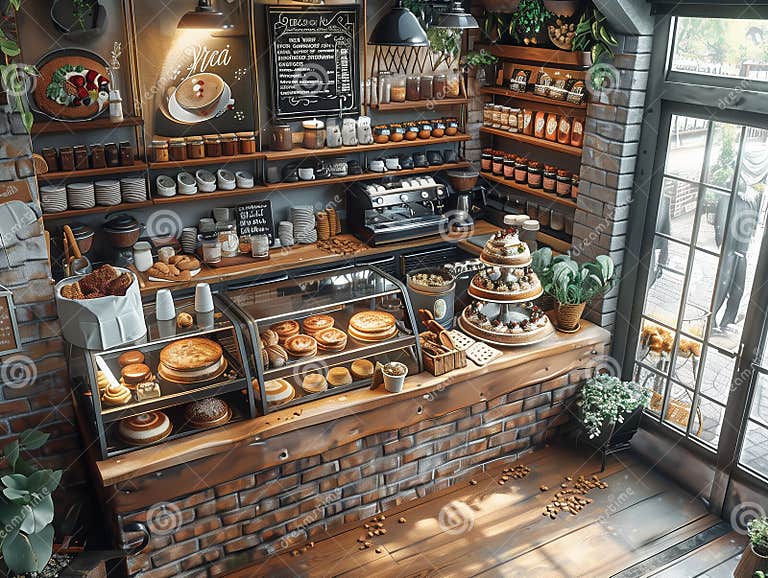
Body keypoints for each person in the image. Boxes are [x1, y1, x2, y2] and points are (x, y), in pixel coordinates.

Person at [712, 187, 761, 332]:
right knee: (722, 286)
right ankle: (711, 318)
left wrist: (750, 236)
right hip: (729, 247)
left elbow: (753, 223)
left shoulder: (752, 200)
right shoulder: (726, 199)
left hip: (742, 249)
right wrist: (721, 240)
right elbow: (719, 221)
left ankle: (728, 320)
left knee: (738, 289)